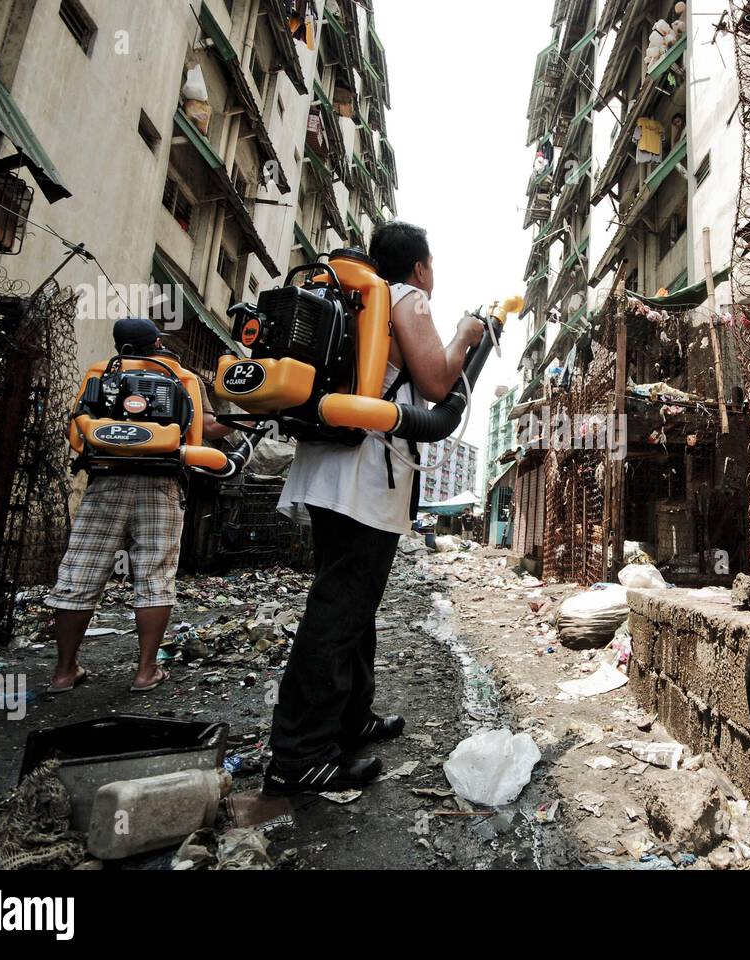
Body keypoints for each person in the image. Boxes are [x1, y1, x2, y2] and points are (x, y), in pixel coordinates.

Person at [263, 223, 485, 795]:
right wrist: (465, 332)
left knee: (353, 608)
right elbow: (437, 383)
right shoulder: (404, 298)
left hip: (329, 470)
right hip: (362, 477)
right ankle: (299, 754)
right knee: (339, 612)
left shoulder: (359, 301)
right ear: (420, 268)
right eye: (431, 264)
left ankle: (350, 719)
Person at [47, 317, 238, 694]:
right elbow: (207, 431)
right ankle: (145, 671)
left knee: (79, 573)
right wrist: (243, 415)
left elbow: (77, 435)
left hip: (106, 481)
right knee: (154, 576)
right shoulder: (182, 377)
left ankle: (64, 672)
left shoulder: (101, 373)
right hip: (162, 485)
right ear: (156, 343)